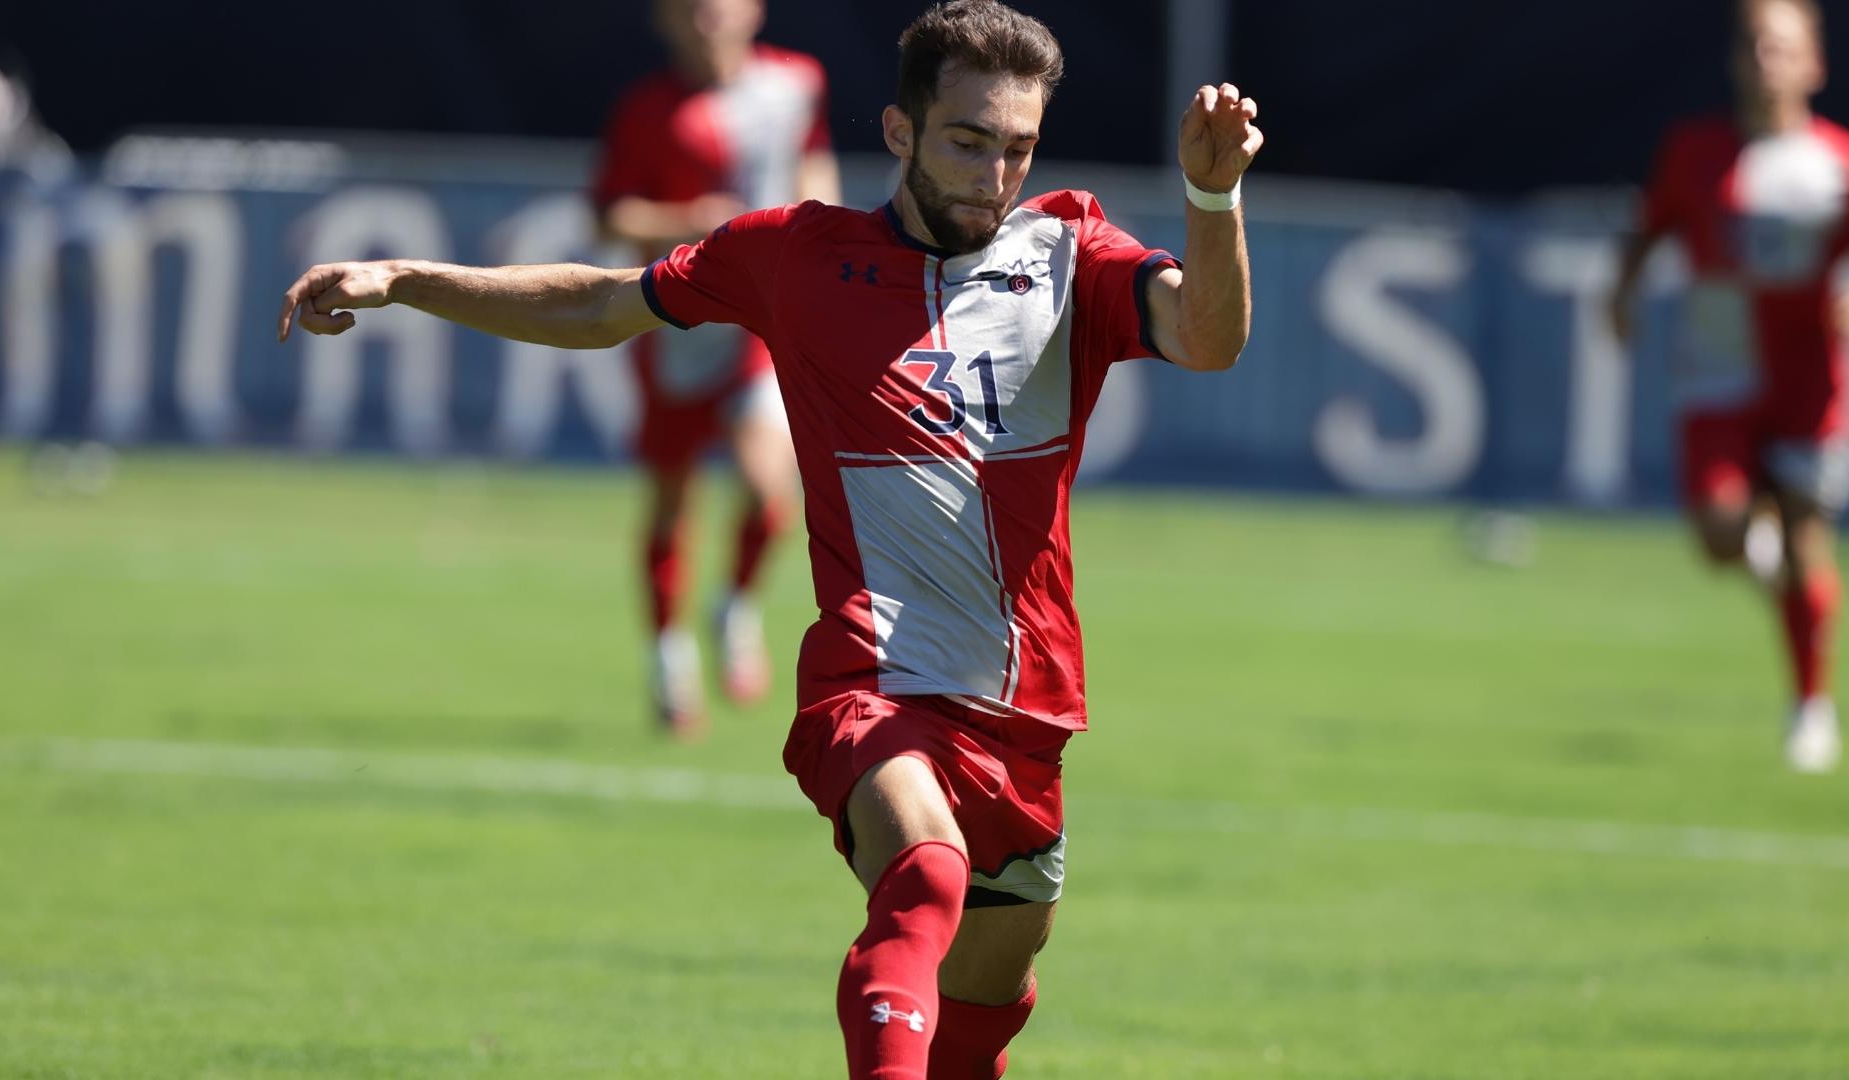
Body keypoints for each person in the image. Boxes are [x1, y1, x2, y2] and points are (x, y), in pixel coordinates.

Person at [278, 2, 1261, 1073]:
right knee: (923, 878)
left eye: (1015, 147)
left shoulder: (1073, 256)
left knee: (986, 1007)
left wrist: (1212, 197)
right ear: (899, 132)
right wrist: (408, 281)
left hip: (1023, 710)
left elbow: (1208, 340)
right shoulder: (795, 256)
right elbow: (604, 304)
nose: (994, 174)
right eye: (967, 140)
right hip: (872, 682)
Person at [593, 0, 840, 737]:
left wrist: (815, 234)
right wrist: (690, 220)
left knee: (771, 491)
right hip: (674, 324)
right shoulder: (648, 110)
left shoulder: (796, 83)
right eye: (689, 8)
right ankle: (668, 653)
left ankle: (734, 606)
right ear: (664, 20)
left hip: (758, 327)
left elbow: (814, 175)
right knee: (673, 502)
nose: (707, 17)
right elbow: (608, 215)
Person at [1611, 0, 1845, 774]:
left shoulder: (1837, 162)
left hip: (1810, 378)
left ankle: (1809, 705)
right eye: (1753, 47)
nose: (1765, 61)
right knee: (1719, 531)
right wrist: (1622, 291)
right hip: (1720, 370)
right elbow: (1652, 227)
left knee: (1806, 542)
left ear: (1813, 64)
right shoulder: (1697, 151)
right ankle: (1763, 543)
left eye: (1781, 48)